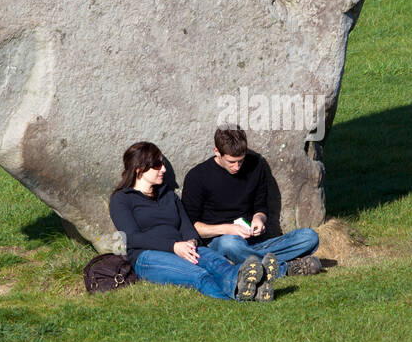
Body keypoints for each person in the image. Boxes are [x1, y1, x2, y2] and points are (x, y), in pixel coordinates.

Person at [109, 141, 268, 300]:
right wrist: (173, 246)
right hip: (148, 256)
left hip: (183, 247)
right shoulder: (121, 199)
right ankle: (245, 296)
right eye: (157, 165)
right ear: (139, 169)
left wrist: (191, 242)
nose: (163, 169)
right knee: (199, 275)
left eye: (162, 164)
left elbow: (186, 226)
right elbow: (133, 237)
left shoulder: (169, 196)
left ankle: (251, 285)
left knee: (217, 264)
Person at [181, 126, 322, 278]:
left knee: (309, 237)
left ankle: (245, 262)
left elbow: (261, 206)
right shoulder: (197, 177)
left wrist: (259, 219)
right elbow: (191, 227)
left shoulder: (255, 165)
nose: (237, 167)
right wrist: (228, 229)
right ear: (217, 152)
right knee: (230, 243)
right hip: (220, 241)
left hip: (253, 241)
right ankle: (284, 268)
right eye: (231, 162)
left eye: (240, 161)